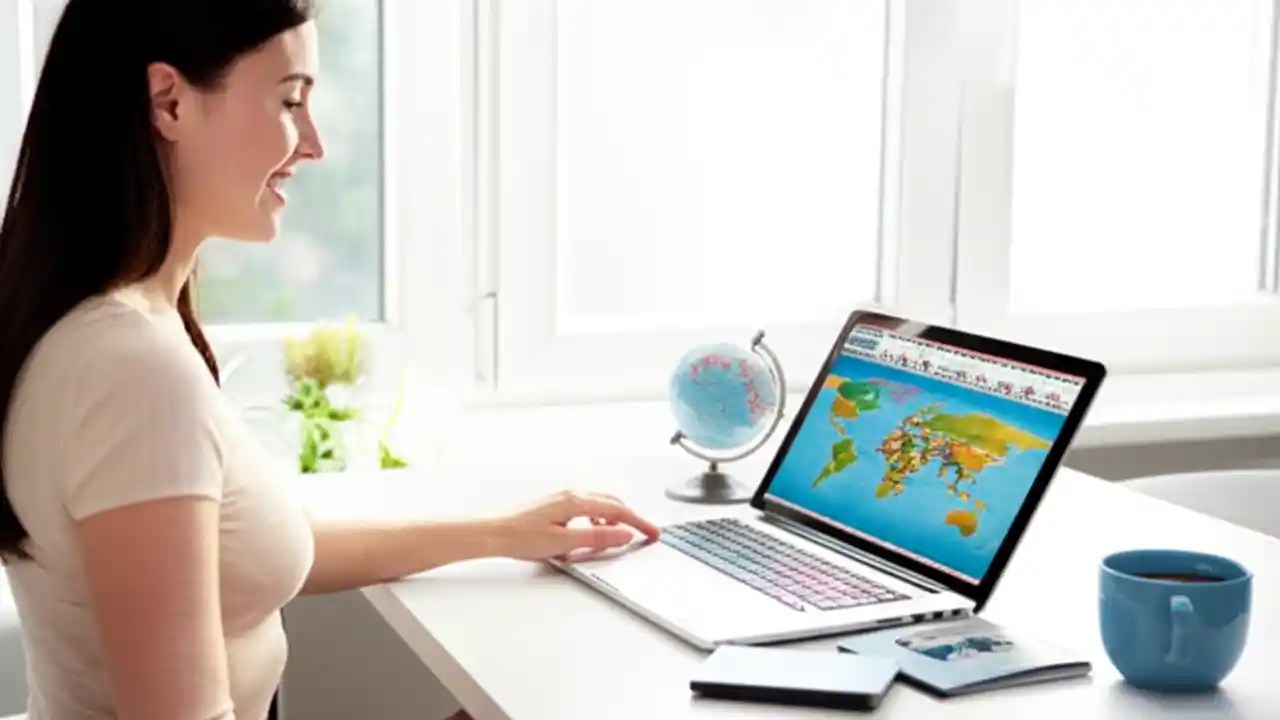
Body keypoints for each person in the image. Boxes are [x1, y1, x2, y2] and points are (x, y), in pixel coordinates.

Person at [0, 2, 660, 718]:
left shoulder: (107, 331)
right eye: (289, 101)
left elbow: (240, 548)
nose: (313, 144)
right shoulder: (131, 371)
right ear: (169, 102)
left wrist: (498, 533)